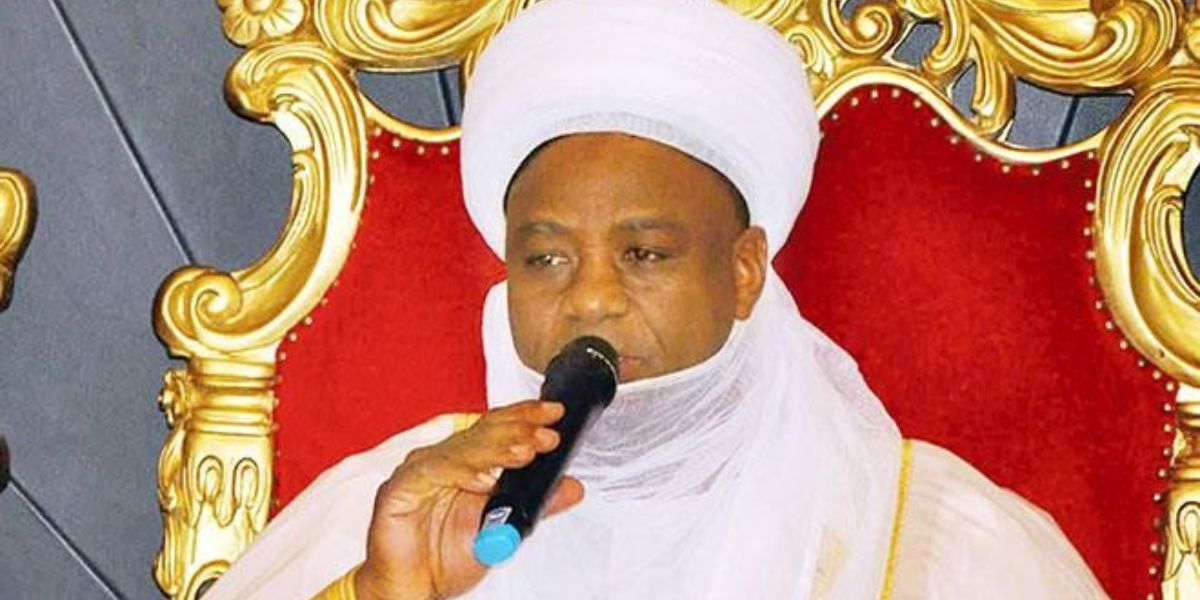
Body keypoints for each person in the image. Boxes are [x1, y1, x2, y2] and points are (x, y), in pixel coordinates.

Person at [203, 0, 1109, 598]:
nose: (591, 298)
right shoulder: (402, 508)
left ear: (744, 271)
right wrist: (385, 592)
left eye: (644, 254)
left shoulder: (937, 544)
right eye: (546, 259)